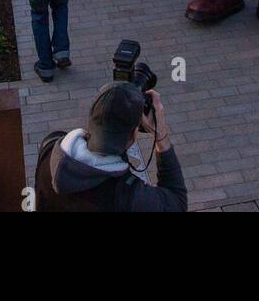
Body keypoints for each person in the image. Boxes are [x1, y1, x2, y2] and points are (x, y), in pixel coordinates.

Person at [35, 82, 186, 212]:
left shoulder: (50, 149)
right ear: (133, 136)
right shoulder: (130, 197)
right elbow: (177, 203)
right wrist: (161, 136)